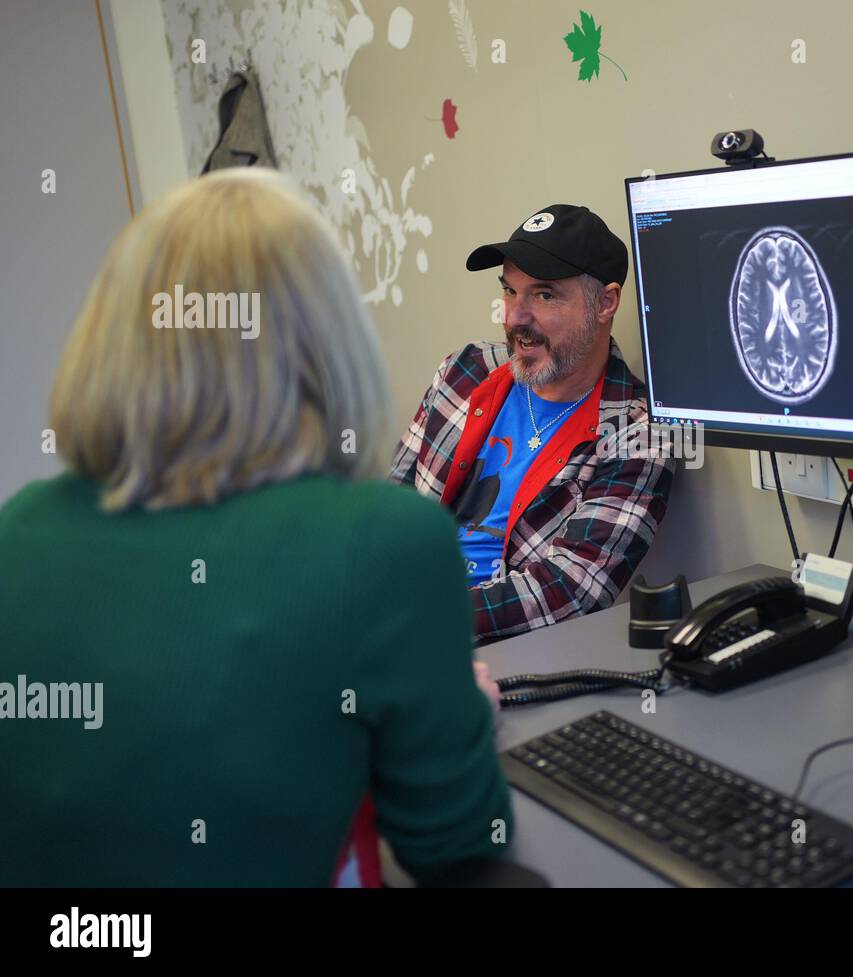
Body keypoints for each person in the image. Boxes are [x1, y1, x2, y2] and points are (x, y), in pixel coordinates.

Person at [0, 168, 510, 886]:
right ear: (328, 345)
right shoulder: (385, 543)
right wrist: (452, 714)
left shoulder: (19, 528)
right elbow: (457, 846)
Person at [390, 204, 675, 642]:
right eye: (509, 291)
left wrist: (417, 617)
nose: (514, 318)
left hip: (485, 646)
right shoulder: (464, 371)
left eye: (543, 295)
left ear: (606, 302)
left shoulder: (639, 433)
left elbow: (570, 591)